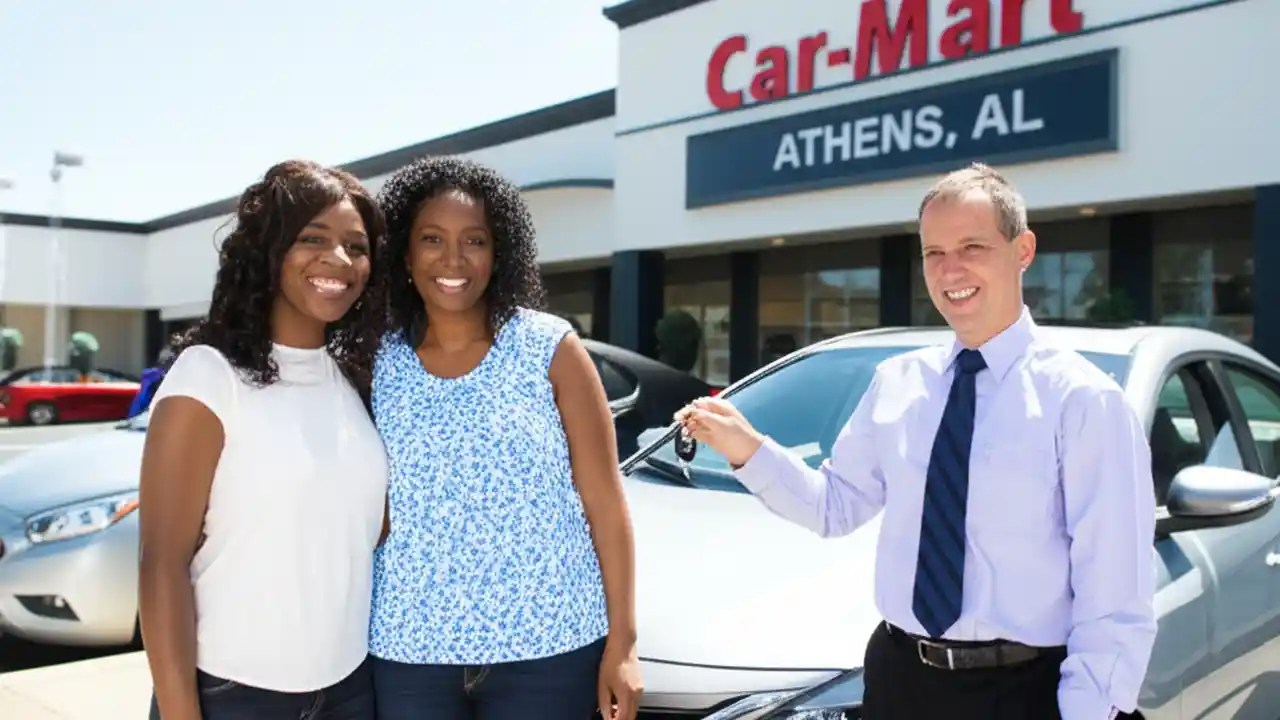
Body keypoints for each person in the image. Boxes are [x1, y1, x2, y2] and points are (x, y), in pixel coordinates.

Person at [677, 163, 1156, 719]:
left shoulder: (1084, 400)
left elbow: (1114, 599)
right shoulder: (898, 384)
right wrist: (746, 447)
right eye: (934, 252)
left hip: (1023, 692)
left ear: (1022, 250)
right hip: (899, 680)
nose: (950, 270)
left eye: (972, 247)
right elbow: (834, 506)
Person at [367, 155, 642, 720]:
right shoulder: (375, 361)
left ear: (499, 252)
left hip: (550, 649)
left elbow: (606, 504)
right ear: (404, 253)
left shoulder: (550, 348)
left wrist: (624, 642)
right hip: (409, 650)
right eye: (431, 239)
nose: (453, 259)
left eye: (475, 240)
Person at [138, 159, 389, 720]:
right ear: (267, 250)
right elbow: (161, 565)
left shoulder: (355, 382)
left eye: (356, 246)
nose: (339, 259)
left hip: (350, 690)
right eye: (312, 238)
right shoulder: (209, 376)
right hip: (233, 694)